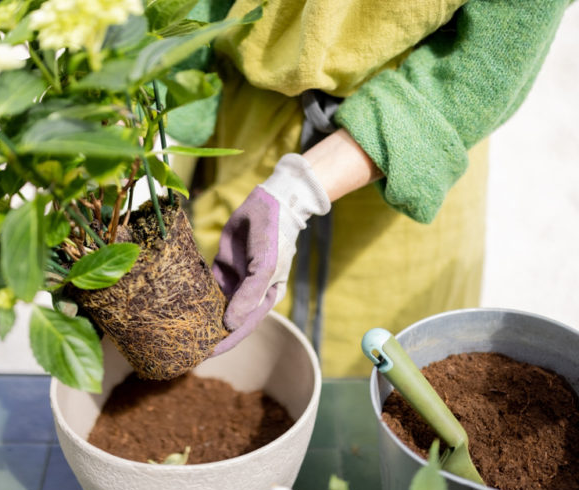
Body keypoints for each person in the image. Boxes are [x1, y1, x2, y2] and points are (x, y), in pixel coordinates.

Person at [171, 0, 573, 376]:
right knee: (234, 356)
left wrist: (299, 191)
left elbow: (500, 43)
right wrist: (164, 135)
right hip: (250, 133)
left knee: (389, 382)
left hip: (412, 145)